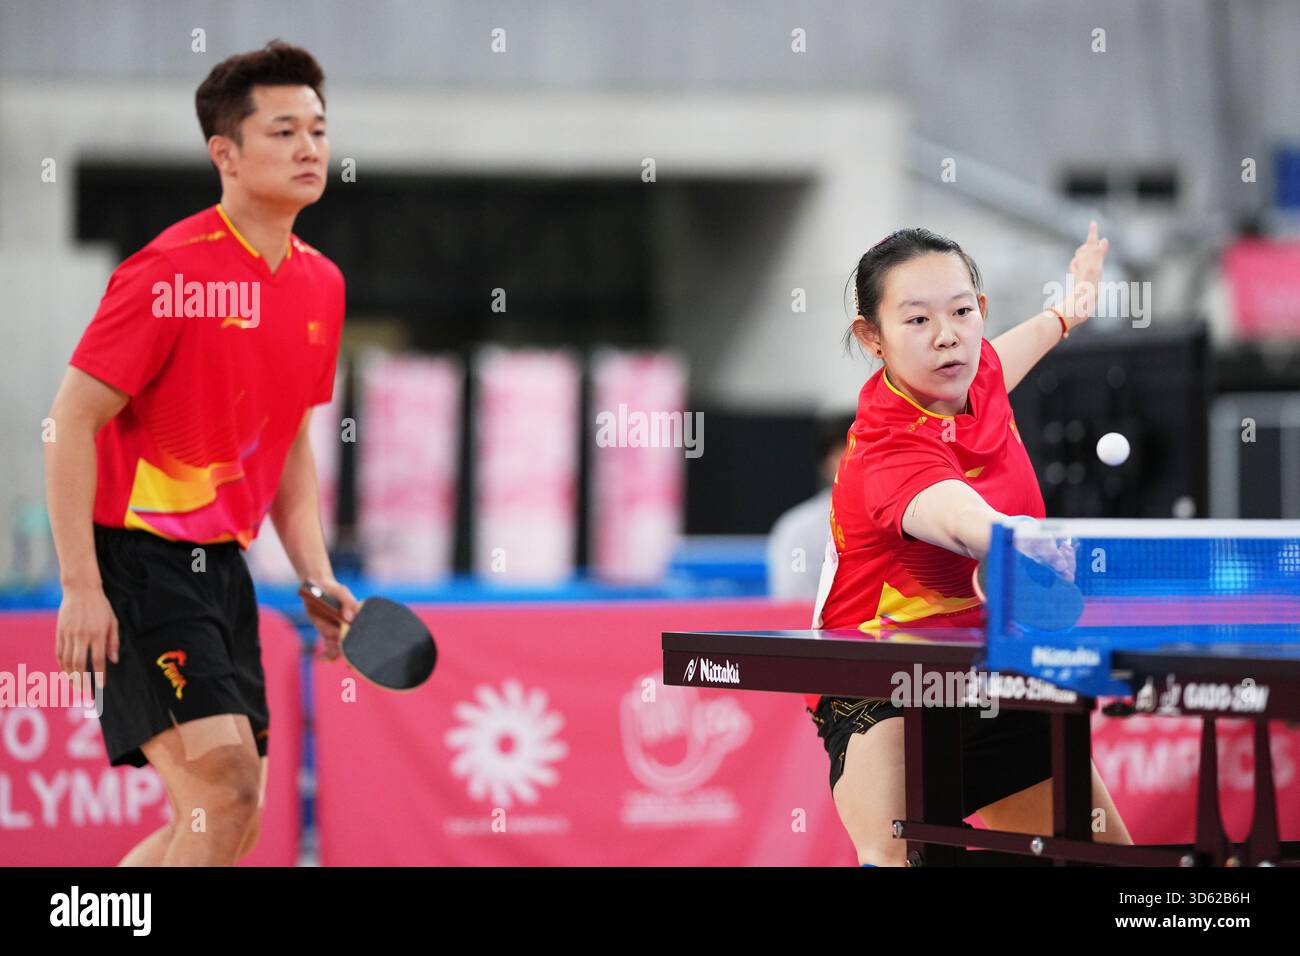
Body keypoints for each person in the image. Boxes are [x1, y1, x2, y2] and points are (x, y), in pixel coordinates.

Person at [44, 40, 358, 866]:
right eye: (283, 131)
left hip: (225, 570)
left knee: (228, 822)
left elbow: (288, 443)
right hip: (139, 564)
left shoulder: (321, 284)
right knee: (225, 796)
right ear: (225, 152)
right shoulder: (167, 273)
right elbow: (69, 423)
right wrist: (80, 586)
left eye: (319, 131)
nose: (309, 148)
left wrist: (315, 576)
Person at [809, 224, 1134, 866]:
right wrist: (1014, 545)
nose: (946, 335)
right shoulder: (887, 450)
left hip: (991, 673)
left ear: (979, 311)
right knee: (894, 860)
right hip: (883, 684)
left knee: (1108, 865)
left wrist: (1068, 311)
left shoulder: (973, 369)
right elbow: (962, 519)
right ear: (871, 337)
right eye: (918, 320)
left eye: (961, 311)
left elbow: (1003, 357)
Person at [767, 413, 856, 601]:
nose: (861, 460)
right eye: (848, 450)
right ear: (826, 463)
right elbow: (795, 608)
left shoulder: (910, 520)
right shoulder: (799, 530)